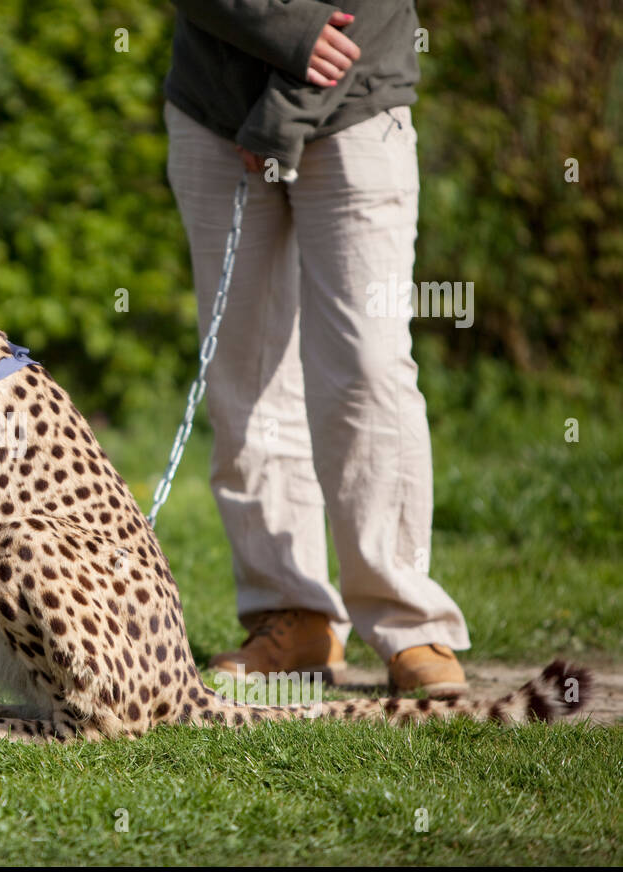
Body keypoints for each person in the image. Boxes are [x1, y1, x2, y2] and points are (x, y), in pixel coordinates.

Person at [163, 0, 469, 695]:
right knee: (246, 378)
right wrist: (291, 38)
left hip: (358, 109)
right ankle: (291, 615)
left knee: (368, 366)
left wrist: (284, 111)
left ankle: (407, 621)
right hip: (213, 116)